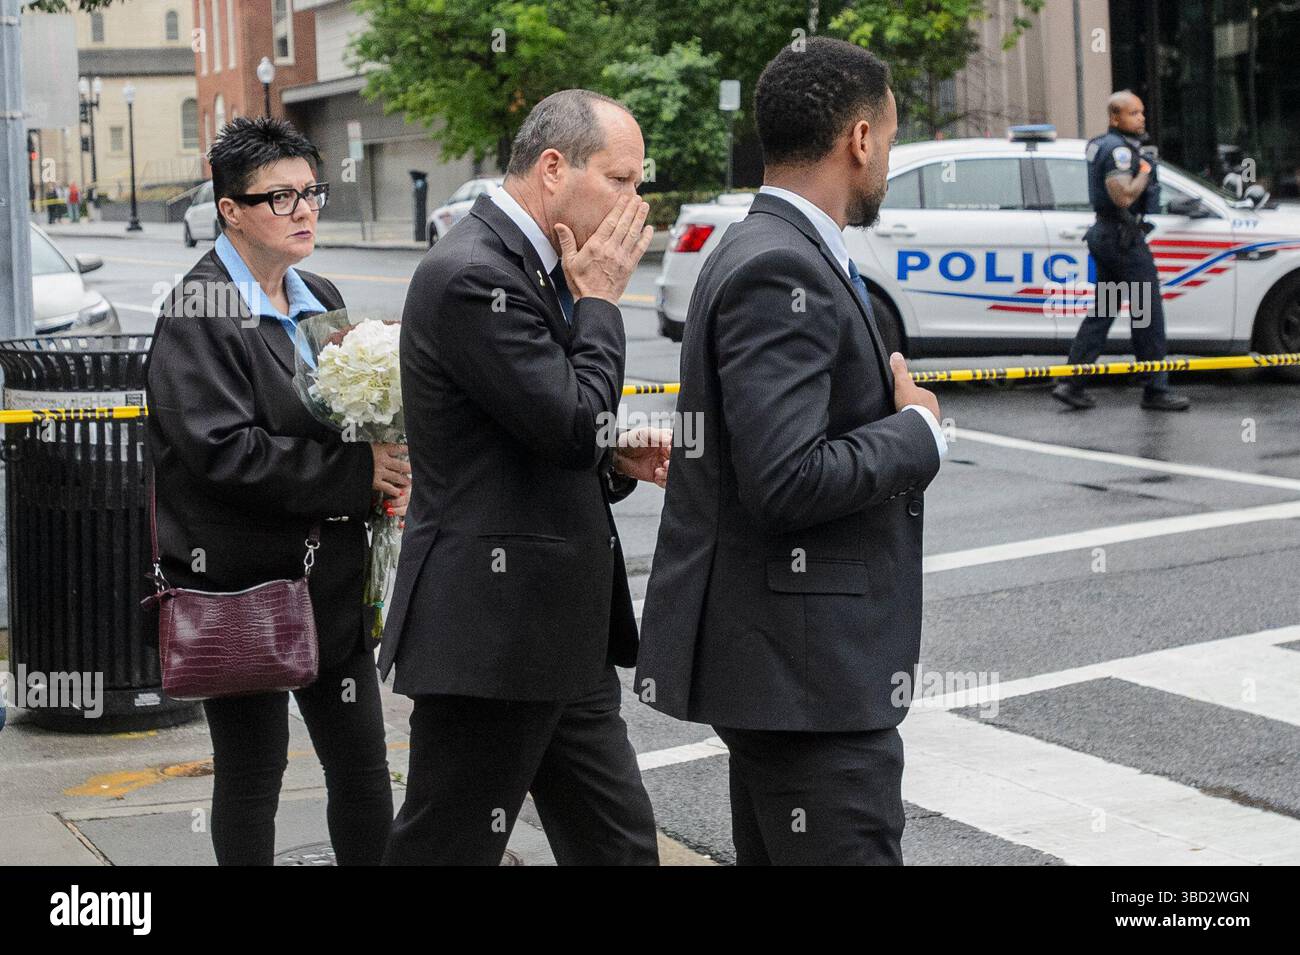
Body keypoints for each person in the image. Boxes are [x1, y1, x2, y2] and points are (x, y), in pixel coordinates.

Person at [635, 38, 947, 865]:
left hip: (786, 674)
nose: (886, 155)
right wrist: (916, 433)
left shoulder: (762, 244)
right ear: (858, 138)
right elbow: (785, 477)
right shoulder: (780, 264)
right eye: (889, 134)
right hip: (810, 682)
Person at [379, 89, 668, 866]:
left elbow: (533, 428)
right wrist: (602, 302)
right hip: (493, 638)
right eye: (621, 179)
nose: (634, 204)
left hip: (559, 636)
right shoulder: (476, 274)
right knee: (446, 848)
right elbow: (569, 420)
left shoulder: (540, 266)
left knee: (620, 848)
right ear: (552, 169)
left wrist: (611, 455)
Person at [145, 117, 408, 865]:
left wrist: (385, 458)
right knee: (253, 774)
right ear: (230, 209)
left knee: (361, 766)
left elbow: (344, 414)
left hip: (331, 582)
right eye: (280, 197)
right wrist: (356, 476)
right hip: (244, 586)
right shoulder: (198, 310)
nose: (304, 210)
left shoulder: (314, 291)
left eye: (311, 193)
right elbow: (219, 451)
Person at [1052, 91, 1190, 411]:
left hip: (1108, 236)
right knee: (1148, 314)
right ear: (1116, 118)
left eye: (1142, 112)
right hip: (1122, 239)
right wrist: (1144, 171)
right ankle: (1156, 389)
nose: (1141, 118)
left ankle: (1072, 383)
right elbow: (1123, 197)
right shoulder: (1121, 153)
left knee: (1103, 311)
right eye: (1134, 113)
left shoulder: (1103, 144)